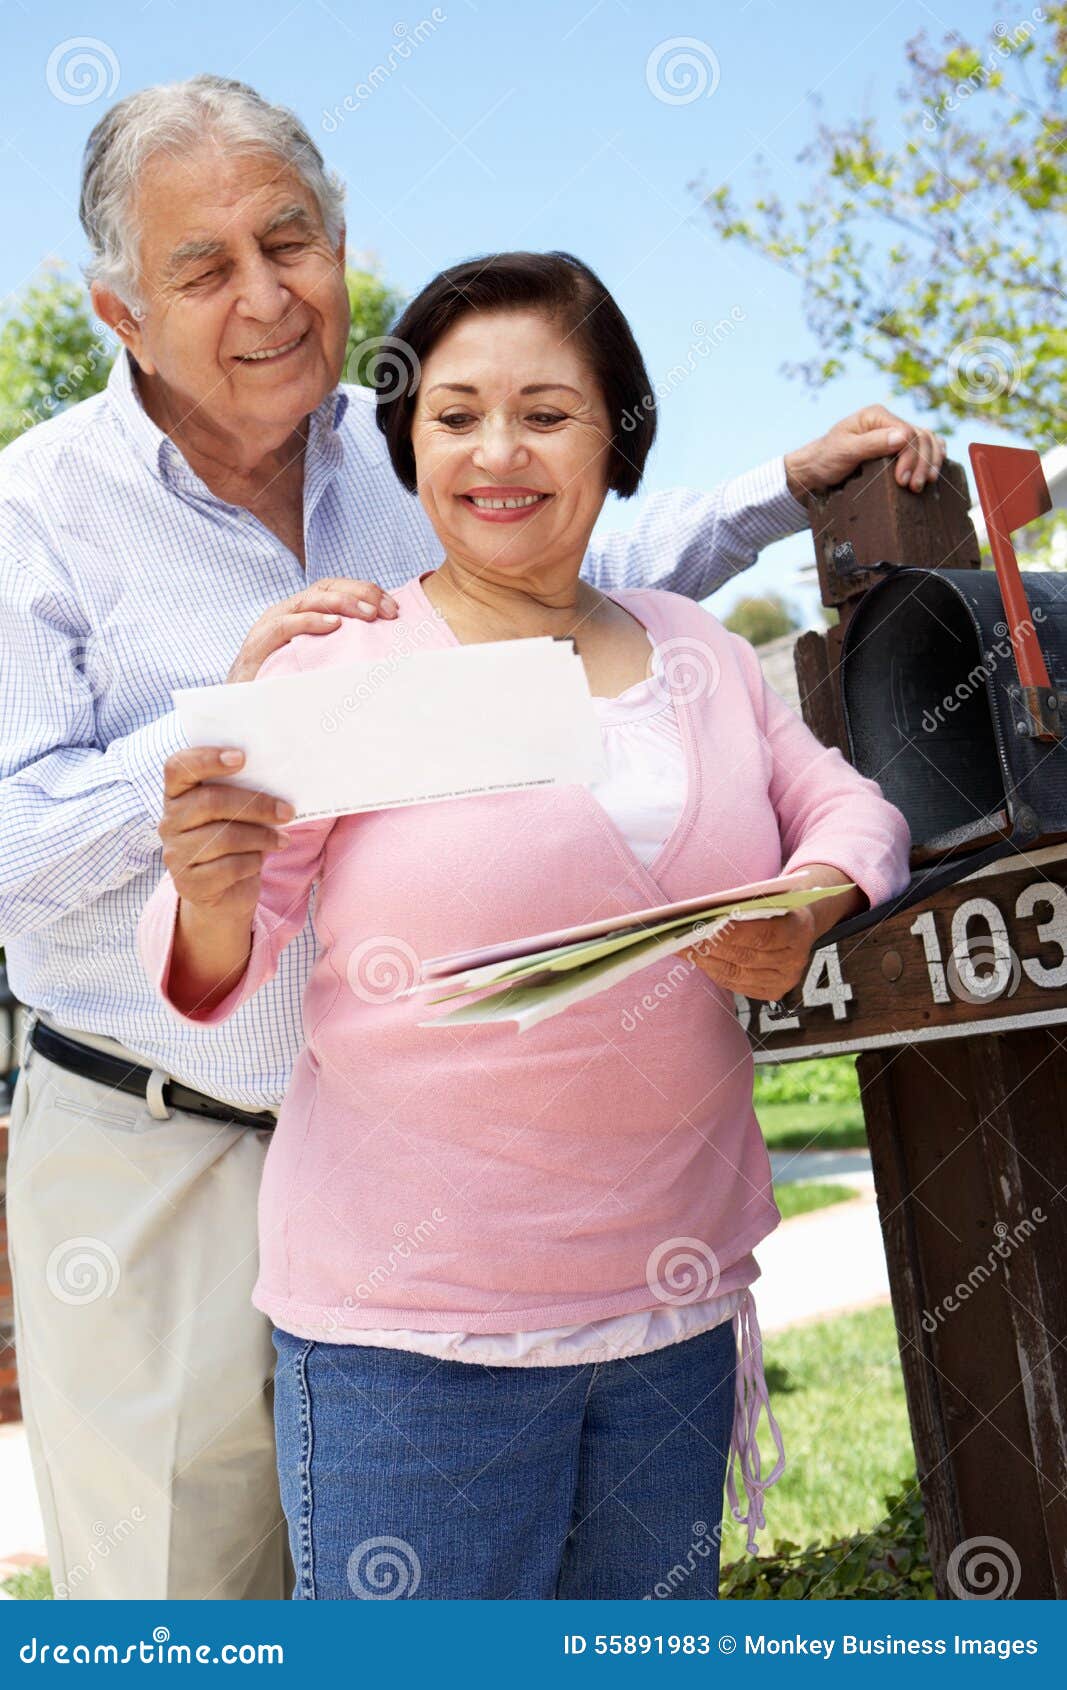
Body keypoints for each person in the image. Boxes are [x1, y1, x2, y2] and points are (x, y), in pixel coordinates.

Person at [0, 73, 939, 1602]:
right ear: (122, 310)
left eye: (290, 241)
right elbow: (14, 838)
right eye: (205, 266)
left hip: (433, 1176)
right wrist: (235, 727)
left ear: (340, 242)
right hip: (159, 1139)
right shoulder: (34, 509)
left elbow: (589, 565)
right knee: (184, 1601)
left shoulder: (405, 445)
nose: (267, 296)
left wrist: (779, 490)